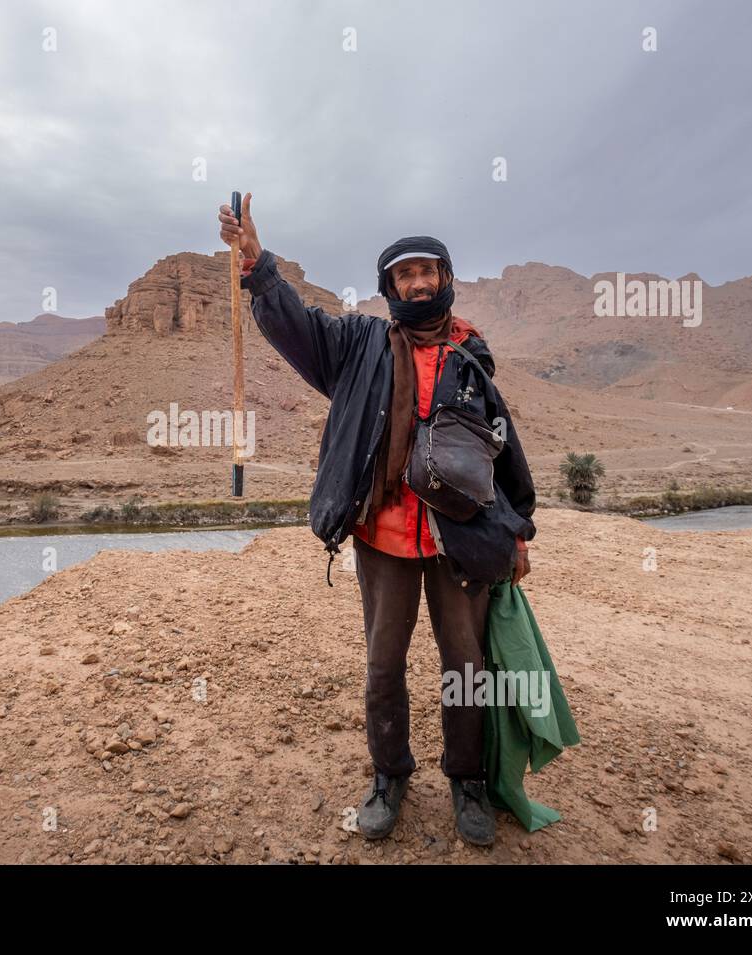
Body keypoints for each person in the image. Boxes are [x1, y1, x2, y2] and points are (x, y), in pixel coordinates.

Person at [217, 194, 538, 845]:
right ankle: (389, 775)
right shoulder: (358, 345)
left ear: (444, 279)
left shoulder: (471, 356)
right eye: (404, 274)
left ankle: (467, 780)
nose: (417, 282)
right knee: (384, 663)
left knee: (465, 666)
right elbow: (295, 325)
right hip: (383, 537)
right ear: (388, 287)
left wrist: (520, 528)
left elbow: (498, 445)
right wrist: (257, 262)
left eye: (428, 271)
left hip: (462, 540)